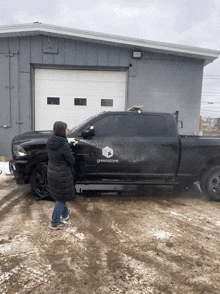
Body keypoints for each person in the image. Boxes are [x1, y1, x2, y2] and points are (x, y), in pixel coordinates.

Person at [47, 121, 76, 230]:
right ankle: (55, 222)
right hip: (62, 174)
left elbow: (59, 145)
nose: (68, 130)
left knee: (60, 195)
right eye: (66, 129)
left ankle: (65, 214)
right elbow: (71, 161)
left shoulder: (51, 141)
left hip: (52, 172)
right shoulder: (63, 146)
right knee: (61, 198)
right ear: (62, 131)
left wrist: (67, 142)